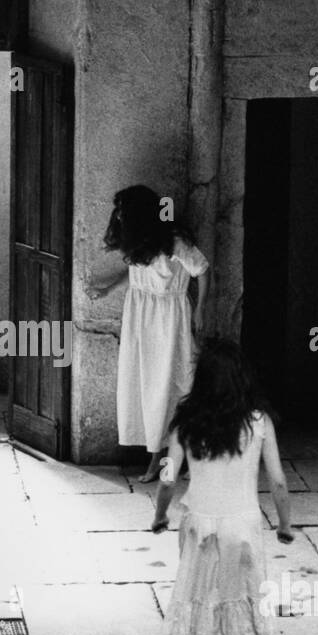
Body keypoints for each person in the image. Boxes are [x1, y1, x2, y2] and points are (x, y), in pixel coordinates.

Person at [151, 338, 296, 635]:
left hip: (200, 524)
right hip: (243, 526)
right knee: (255, 608)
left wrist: (160, 515)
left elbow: (168, 479)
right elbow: (278, 483)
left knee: (200, 605)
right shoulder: (258, 422)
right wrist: (284, 525)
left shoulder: (186, 423)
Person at [88, 185, 210, 483]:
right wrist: (107, 288)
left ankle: (167, 457)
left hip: (169, 320)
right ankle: (161, 455)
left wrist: (200, 309)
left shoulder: (175, 242)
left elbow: (203, 270)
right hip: (140, 319)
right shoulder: (137, 241)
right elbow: (135, 272)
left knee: (171, 385)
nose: (118, 217)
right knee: (145, 385)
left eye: (124, 212)